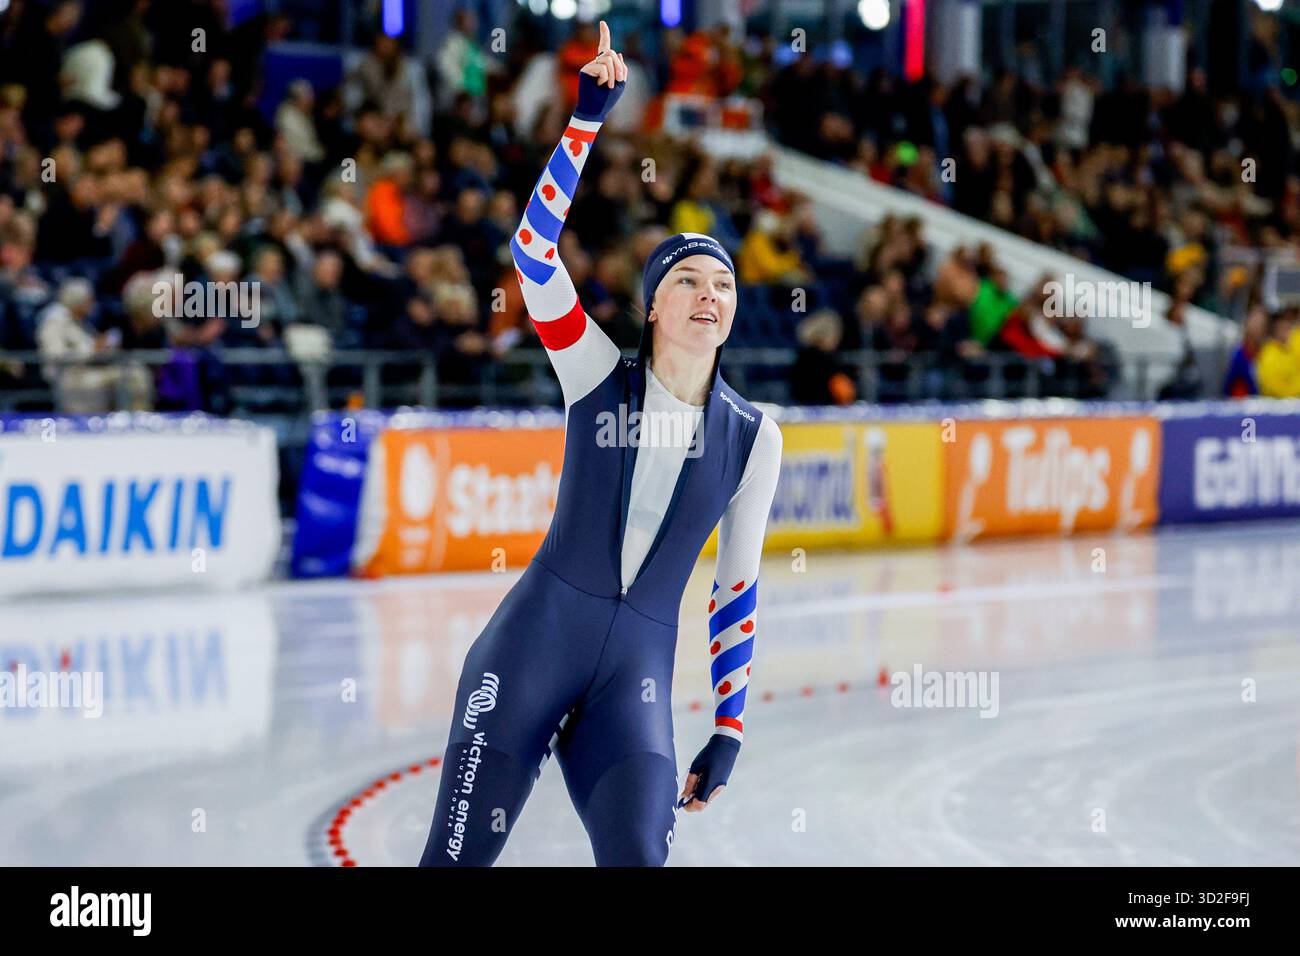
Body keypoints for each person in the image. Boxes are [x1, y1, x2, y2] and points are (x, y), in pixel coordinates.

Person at [419, 22, 783, 867]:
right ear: (653, 306)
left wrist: (729, 727)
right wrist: (586, 121)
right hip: (530, 651)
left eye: (723, 283)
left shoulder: (754, 437)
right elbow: (533, 252)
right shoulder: (593, 372)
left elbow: (735, 590)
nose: (709, 294)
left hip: (636, 686)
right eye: (687, 280)